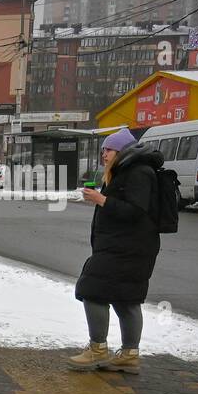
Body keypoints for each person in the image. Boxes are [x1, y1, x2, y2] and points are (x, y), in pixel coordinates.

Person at [68, 128, 163, 375]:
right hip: (127, 246)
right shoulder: (127, 171)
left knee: (92, 289)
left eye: (108, 150)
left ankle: (98, 348)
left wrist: (101, 200)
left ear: (122, 151)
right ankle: (129, 355)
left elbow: (135, 211)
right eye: (103, 150)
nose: (104, 155)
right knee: (126, 297)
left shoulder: (139, 172)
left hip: (127, 247)